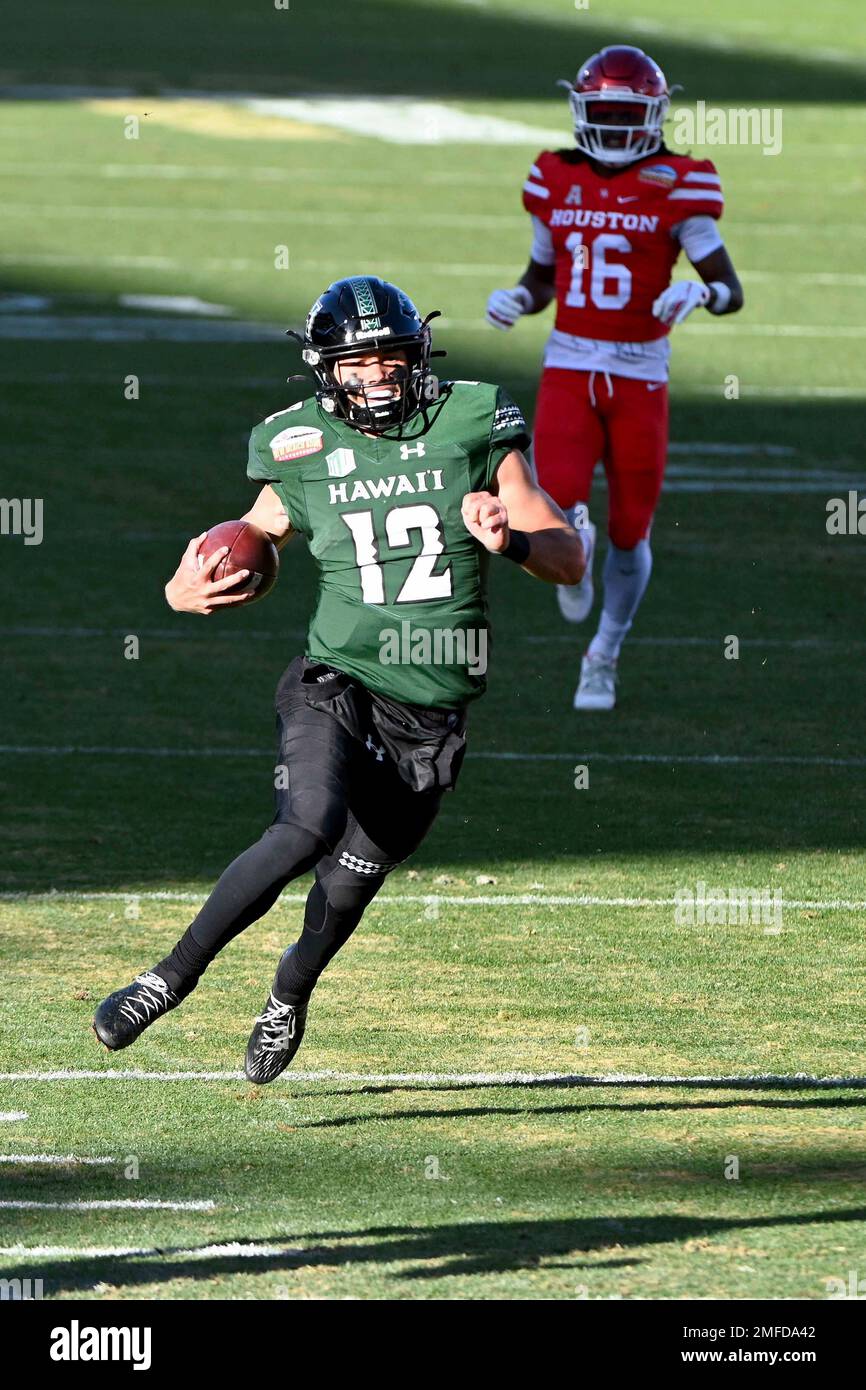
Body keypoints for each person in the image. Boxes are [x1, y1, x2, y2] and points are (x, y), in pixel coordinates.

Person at [93, 275, 585, 1083]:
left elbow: (567, 558)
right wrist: (187, 585)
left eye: (390, 358)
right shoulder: (298, 442)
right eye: (357, 363)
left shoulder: (472, 420)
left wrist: (512, 542)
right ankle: (164, 980)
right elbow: (256, 536)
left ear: (417, 356)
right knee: (306, 825)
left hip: (431, 709)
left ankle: (290, 991)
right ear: (327, 370)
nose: (378, 377)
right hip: (337, 678)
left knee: (350, 886)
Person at [486, 44, 743, 710]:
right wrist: (519, 298)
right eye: (602, 111)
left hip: (640, 373)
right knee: (553, 505)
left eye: (627, 114)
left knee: (630, 530)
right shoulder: (554, 178)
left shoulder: (680, 182)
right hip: (571, 362)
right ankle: (575, 562)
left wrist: (700, 296)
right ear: (579, 109)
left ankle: (604, 652)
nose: (615, 126)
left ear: (655, 115)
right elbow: (542, 275)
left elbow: (728, 287)